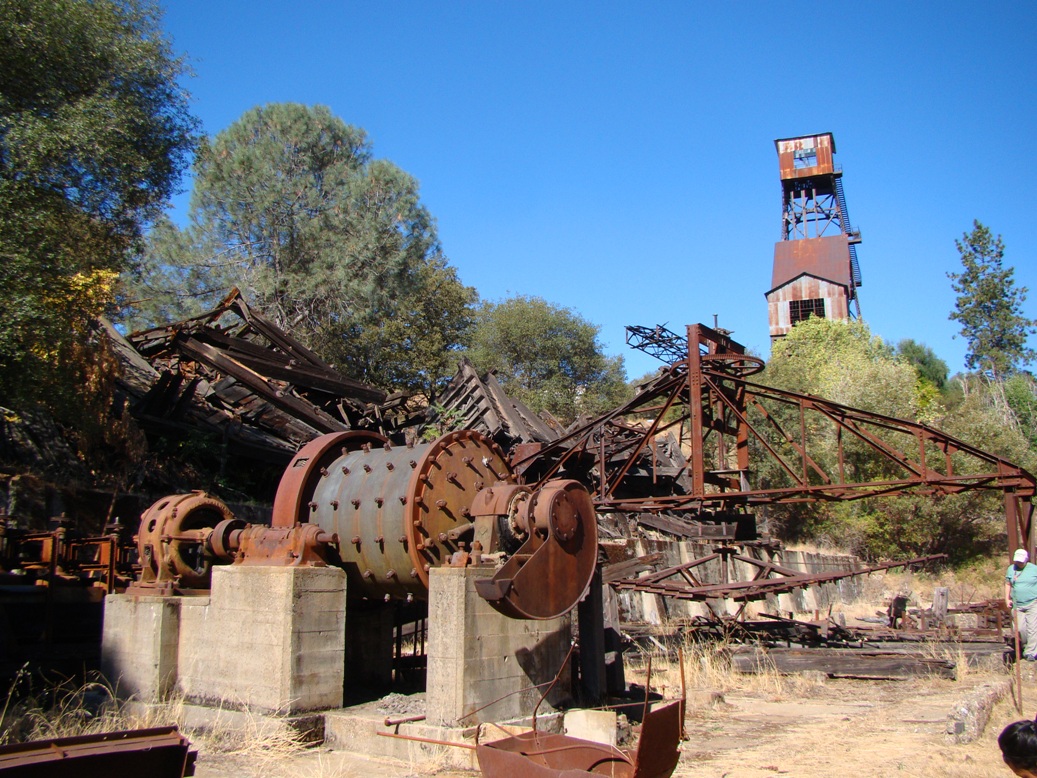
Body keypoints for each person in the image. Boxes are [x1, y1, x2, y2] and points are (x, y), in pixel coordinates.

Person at [1005, 548, 1037, 661]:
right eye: (1017, 561)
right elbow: (1008, 584)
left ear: (1026, 559)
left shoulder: (1034, 569)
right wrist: (1007, 598)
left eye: (1021, 561)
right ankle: (1025, 646)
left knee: (1032, 628)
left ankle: (1031, 653)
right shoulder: (1011, 569)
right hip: (1017, 604)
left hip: (1032, 602)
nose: (1019, 563)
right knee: (1020, 629)